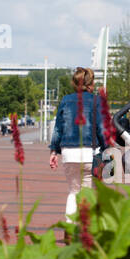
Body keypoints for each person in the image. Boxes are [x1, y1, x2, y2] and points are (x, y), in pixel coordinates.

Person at [49, 66, 105, 222]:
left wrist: (53, 152)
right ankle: (87, 230)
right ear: (91, 84)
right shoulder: (97, 101)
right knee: (89, 192)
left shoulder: (66, 101)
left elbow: (58, 128)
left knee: (73, 191)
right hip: (90, 152)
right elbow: (102, 128)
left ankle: (70, 227)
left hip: (69, 152)